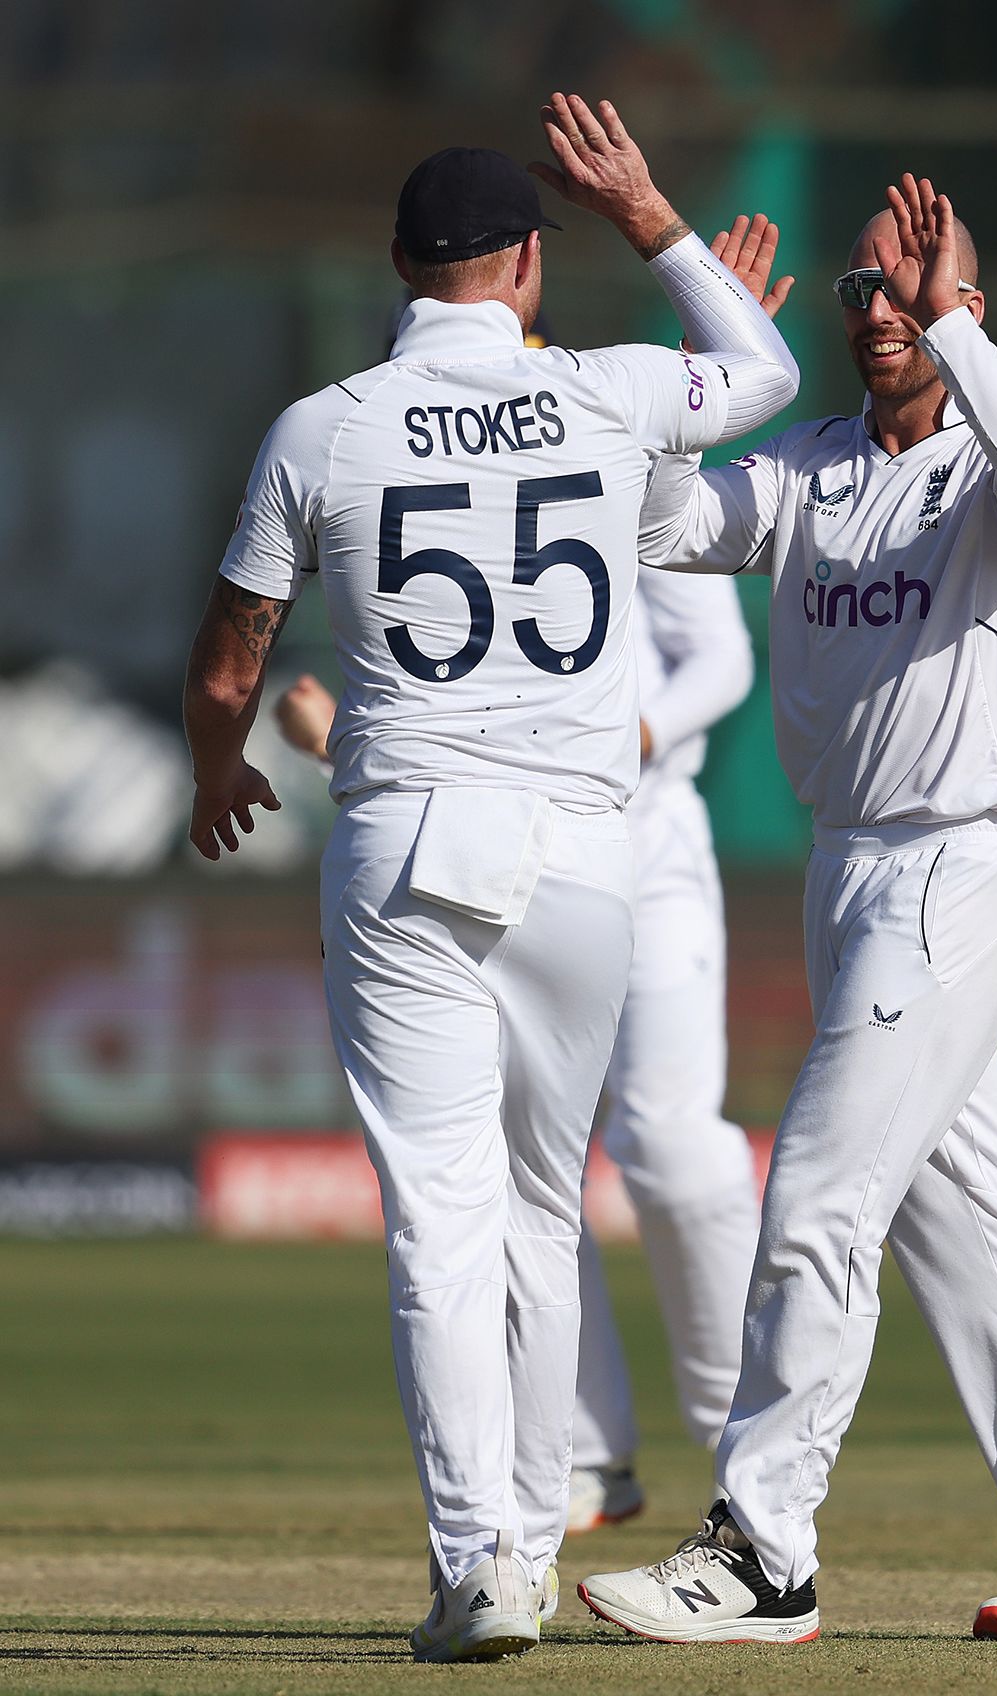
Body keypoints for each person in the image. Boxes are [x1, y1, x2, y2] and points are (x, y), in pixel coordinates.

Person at [182, 93, 797, 1664]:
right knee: (539, 1210)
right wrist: (653, 221)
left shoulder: (321, 423)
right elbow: (771, 372)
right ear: (528, 260)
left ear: (398, 264)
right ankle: (530, 1530)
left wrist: (218, 767)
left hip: (408, 841)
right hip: (590, 855)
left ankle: (485, 1565)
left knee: (439, 1223)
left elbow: (235, 651)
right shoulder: (605, 395)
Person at [578, 175, 997, 1645]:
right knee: (964, 1220)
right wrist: (704, 362)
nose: (878, 312)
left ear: (960, 306)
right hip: (851, 870)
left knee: (822, 1190)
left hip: (966, 862)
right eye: (862, 293)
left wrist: (957, 316)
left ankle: (765, 1549)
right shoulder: (817, 469)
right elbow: (647, 522)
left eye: (909, 289)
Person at [275, 547, 761, 1531]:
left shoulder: (633, 450)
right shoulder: (432, 465)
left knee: (667, 1142)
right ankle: (583, 1454)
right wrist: (349, 744)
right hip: (493, 854)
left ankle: (748, 1455)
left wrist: (629, 735)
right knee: (509, 1162)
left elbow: (720, 658)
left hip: (644, 842)